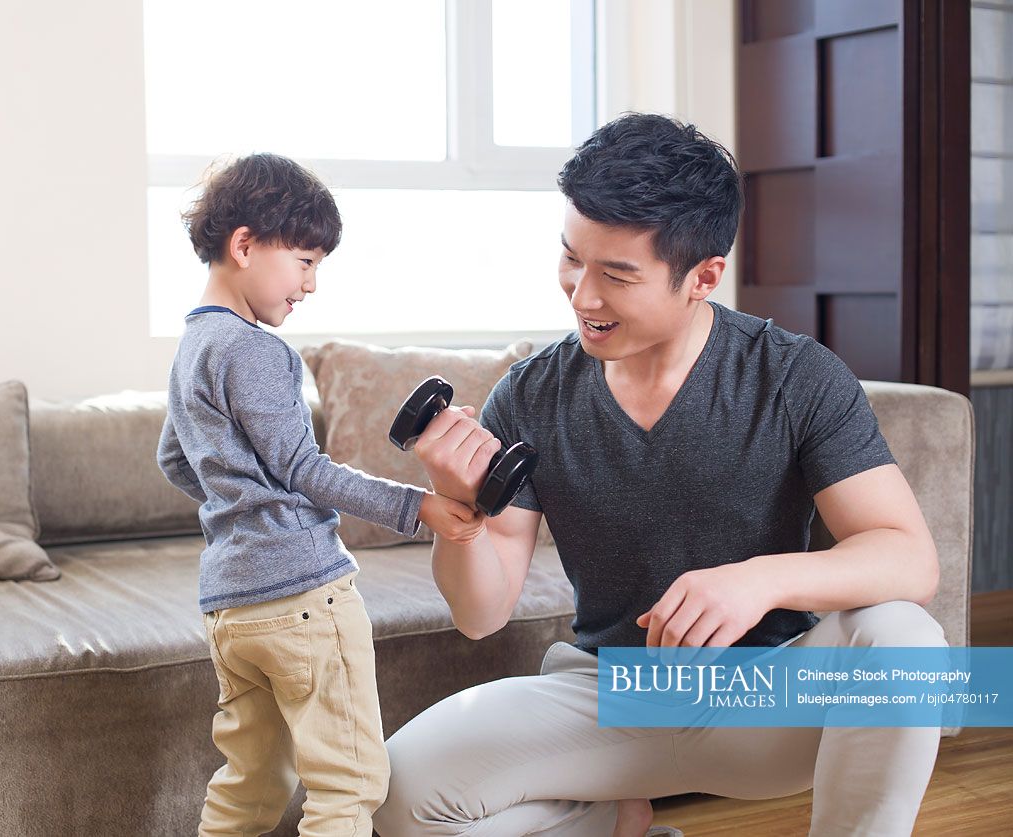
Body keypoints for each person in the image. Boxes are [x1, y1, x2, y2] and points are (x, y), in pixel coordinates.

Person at [373, 114, 946, 837]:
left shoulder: (793, 375)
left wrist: (758, 578)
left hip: (765, 700)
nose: (581, 295)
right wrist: (458, 514)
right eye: (570, 259)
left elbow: (908, 557)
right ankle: (615, 821)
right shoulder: (530, 394)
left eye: (615, 274)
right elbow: (481, 613)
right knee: (397, 794)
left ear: (702, 276)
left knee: (907, 639)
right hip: (617, 699)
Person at [156, 153, 485, 837]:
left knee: (250, 781)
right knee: (347, 780)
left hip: (231, 606)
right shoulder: (257, 350)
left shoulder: (193, 345)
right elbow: (304, 467)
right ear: (244, 245)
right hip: (301, 596)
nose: (310, 283)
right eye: (304, 260)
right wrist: (415, 508)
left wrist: (237, 503)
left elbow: (173, 457)